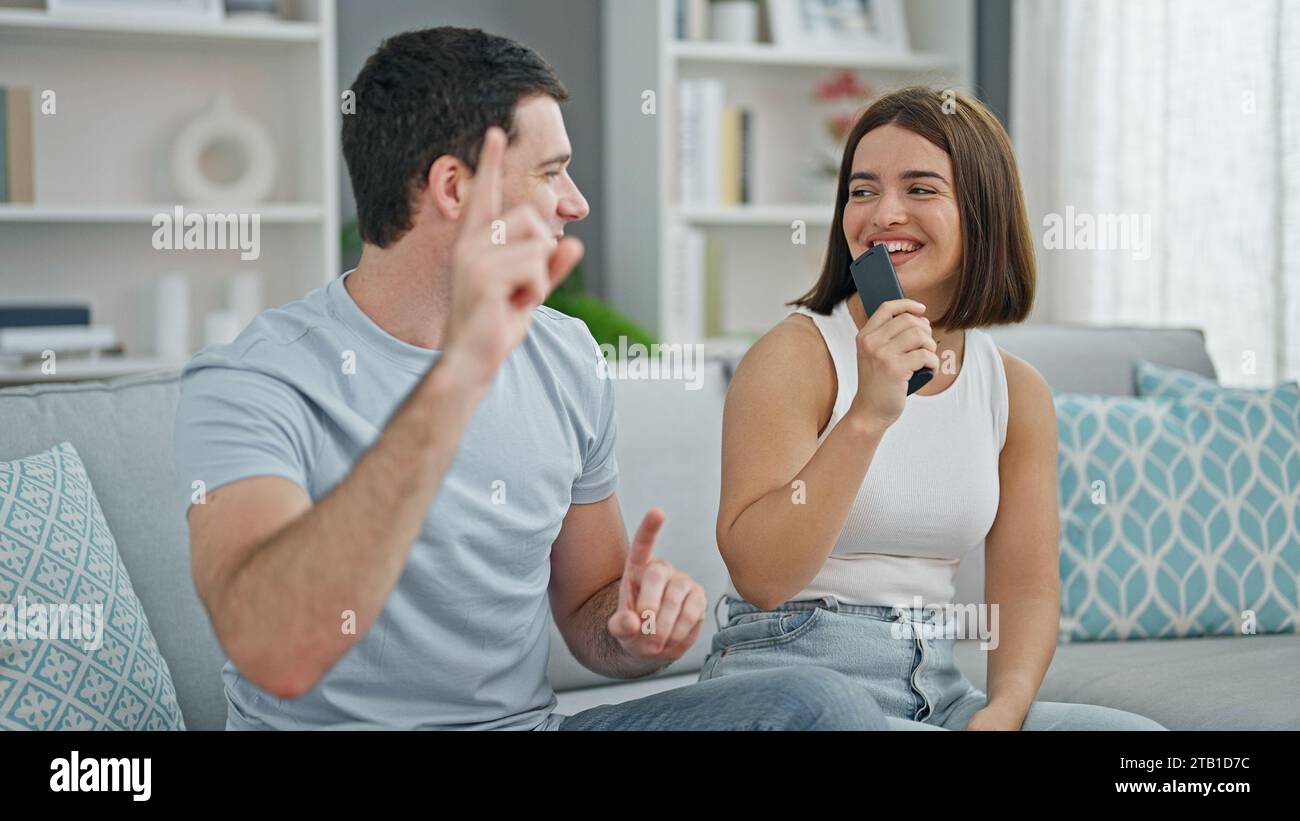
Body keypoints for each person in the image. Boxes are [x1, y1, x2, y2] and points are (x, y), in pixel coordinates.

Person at [173, 26, 888, 731]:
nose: (574, 203)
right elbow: (276, 650)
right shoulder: (254, 378)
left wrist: (635, 626)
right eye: (551, 173)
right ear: (454, 187)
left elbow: (589, 610)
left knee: (818, 706)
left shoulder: (565, 355)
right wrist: (458, 374)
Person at [702, 87, 1166, 731]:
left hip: (938, 690)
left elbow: (1026, 590)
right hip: (795, 681)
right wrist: (868, 414)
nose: (882, 213)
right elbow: (761, 576)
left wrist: (1004, 712)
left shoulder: (1015, 390)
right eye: (862, 191)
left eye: (920, 189)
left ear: (983, 211)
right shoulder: (796, 356)